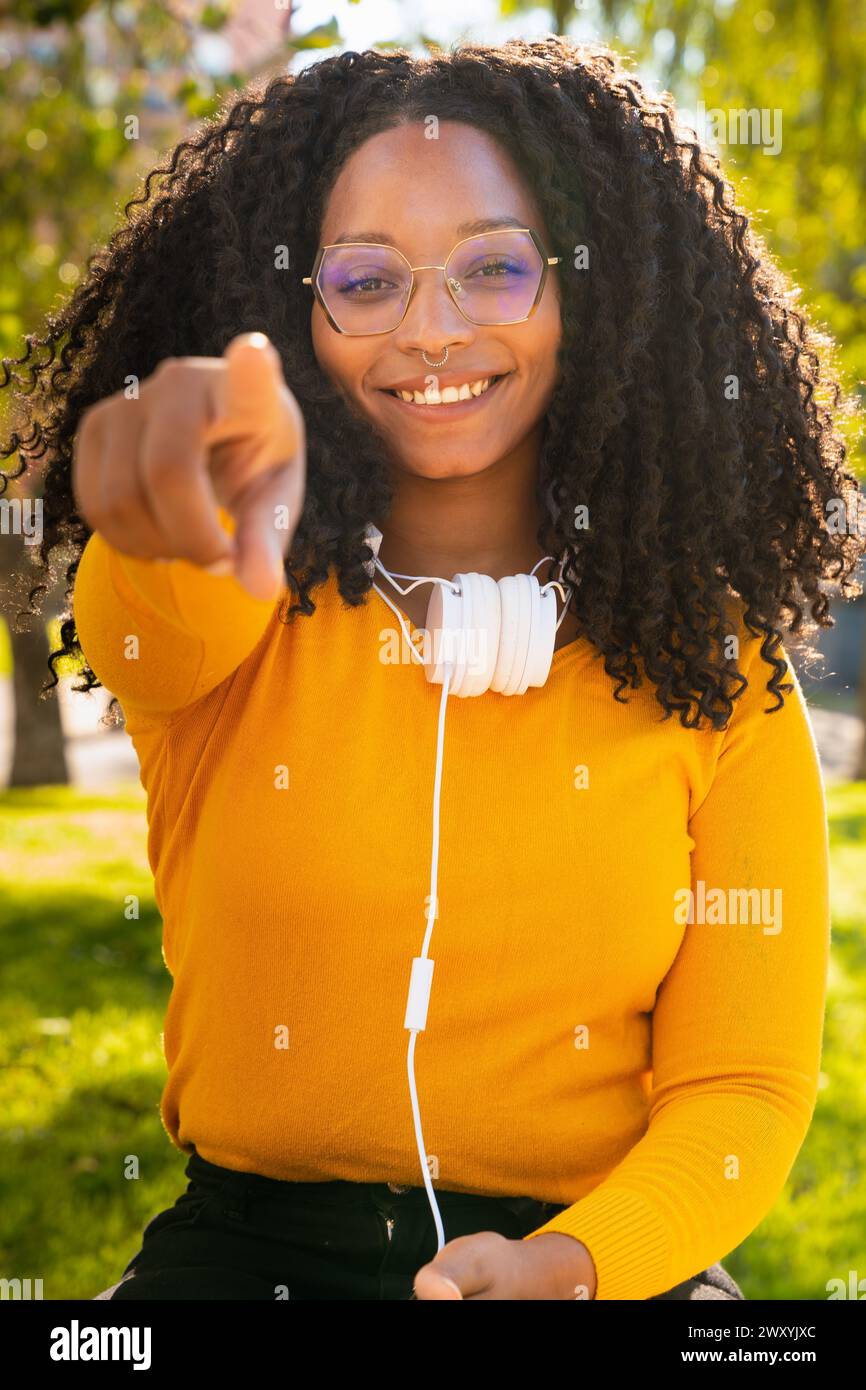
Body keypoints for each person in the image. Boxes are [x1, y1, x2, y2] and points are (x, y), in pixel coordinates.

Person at [4, 37, 860, 1301]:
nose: (429, 329)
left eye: (495, 268)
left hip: (595, 1260)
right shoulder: (228, 602)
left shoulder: (716, 671)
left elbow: (742, 1084)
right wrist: (172, 505)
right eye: (364, 280)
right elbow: (145, 630)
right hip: (247, 1251)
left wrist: (572, 1263)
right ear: (288, 310)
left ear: (599, 295)